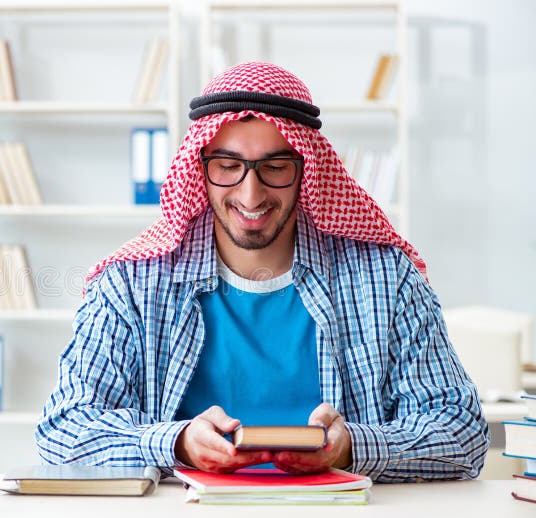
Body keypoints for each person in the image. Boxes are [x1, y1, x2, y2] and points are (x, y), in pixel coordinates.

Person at [35, 62, 489, 482]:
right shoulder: (131, 284)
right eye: (228, 166)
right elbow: (63, 430)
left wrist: (353, 447)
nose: (250, 195)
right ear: (201, 169)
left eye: (274, 167)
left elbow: (462, 430)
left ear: (306, 170)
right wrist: (177, 443)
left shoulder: (387, 279)